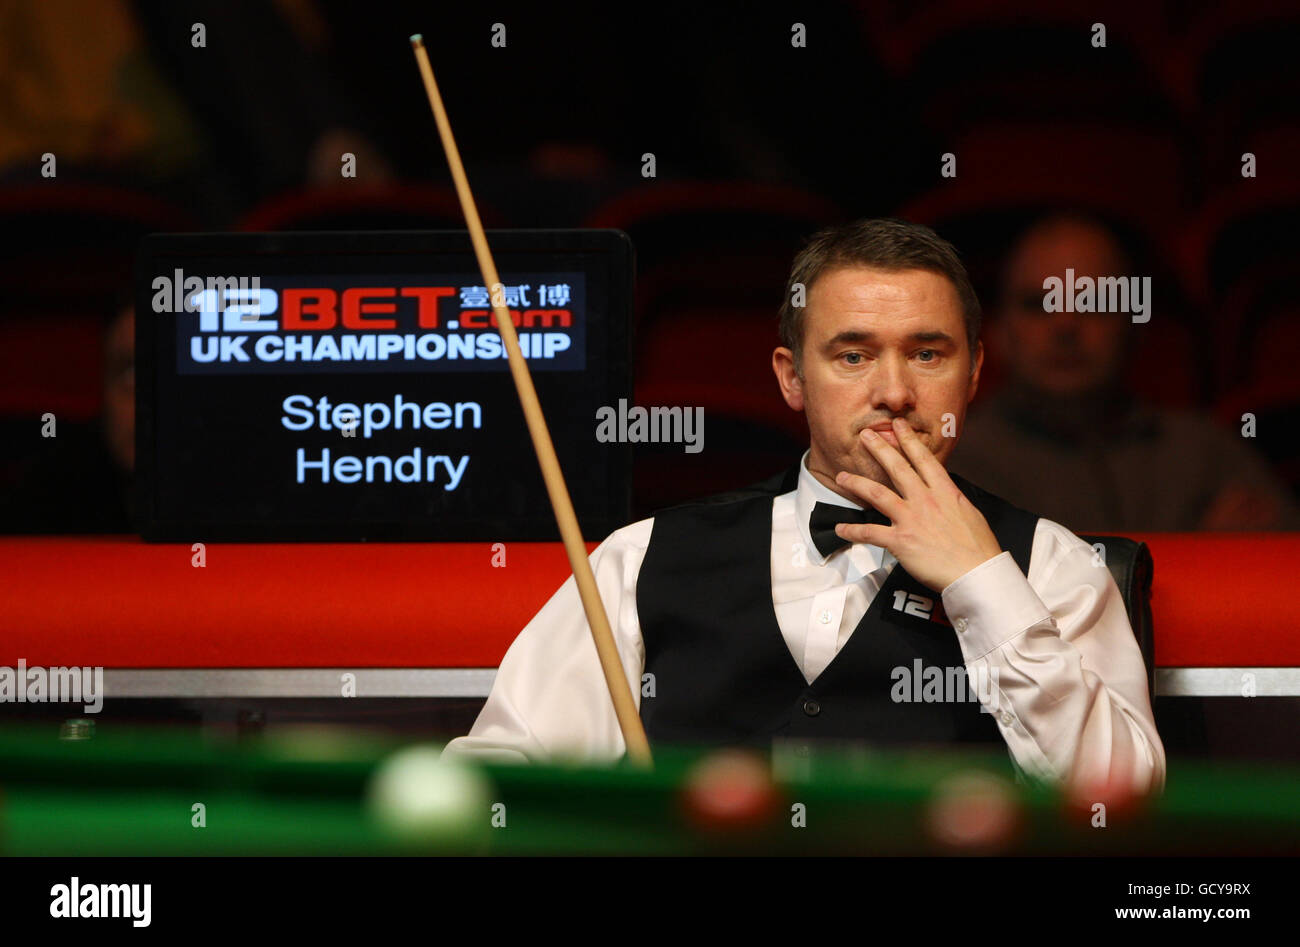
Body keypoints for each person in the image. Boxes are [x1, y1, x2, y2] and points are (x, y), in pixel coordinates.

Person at [444, 218, 1166, 797]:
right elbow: (501, 785)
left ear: (974, 371)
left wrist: (983, 581)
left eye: (927, 353)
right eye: (853, 355)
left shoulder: (1052, 567)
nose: (893, 391)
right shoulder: (640, 558)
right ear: (792, 378)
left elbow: (1118, 804)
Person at [948, 212, 1300, 532]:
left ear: (1136, 326)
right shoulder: (954, 461)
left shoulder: (1206, 453)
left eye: (1095, 302)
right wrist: (1201, 553)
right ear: (996, 330)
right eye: (1038, 304)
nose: (1066, 324)